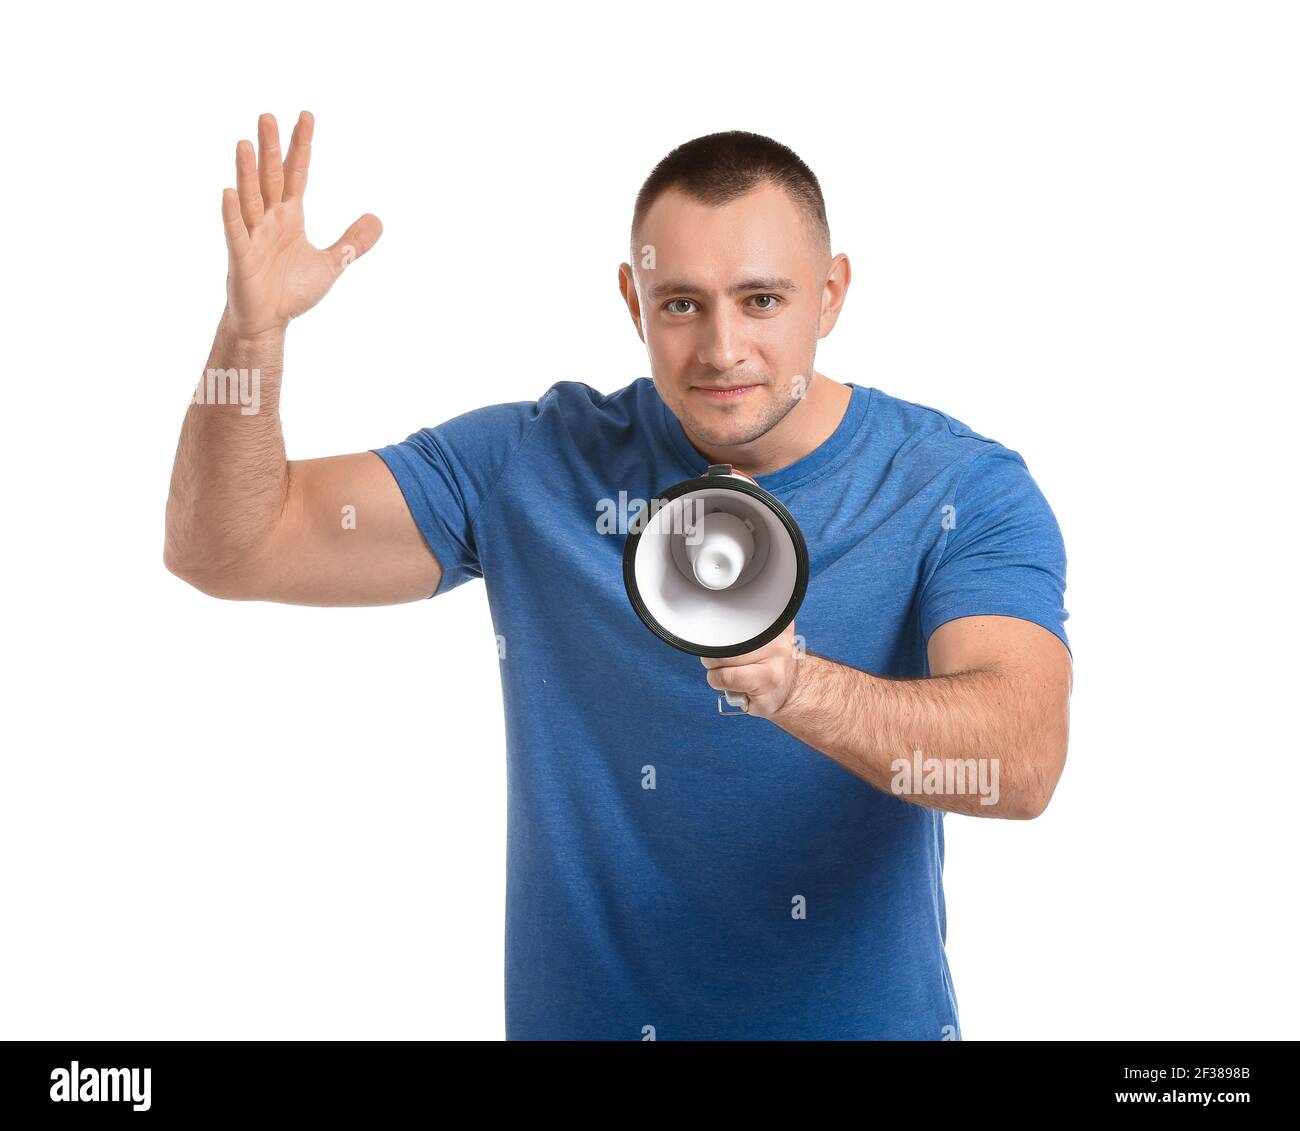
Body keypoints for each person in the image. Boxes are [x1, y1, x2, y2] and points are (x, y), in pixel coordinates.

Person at [165, 112, 1073, 1040]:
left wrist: (799, 687)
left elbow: (1024, 759)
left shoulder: (954, 486)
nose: (722, 349)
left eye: (761, 299)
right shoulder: (532, 463)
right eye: (682, 303)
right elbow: (229, 547)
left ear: (831, 294)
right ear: (633, 303)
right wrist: (249, 339)